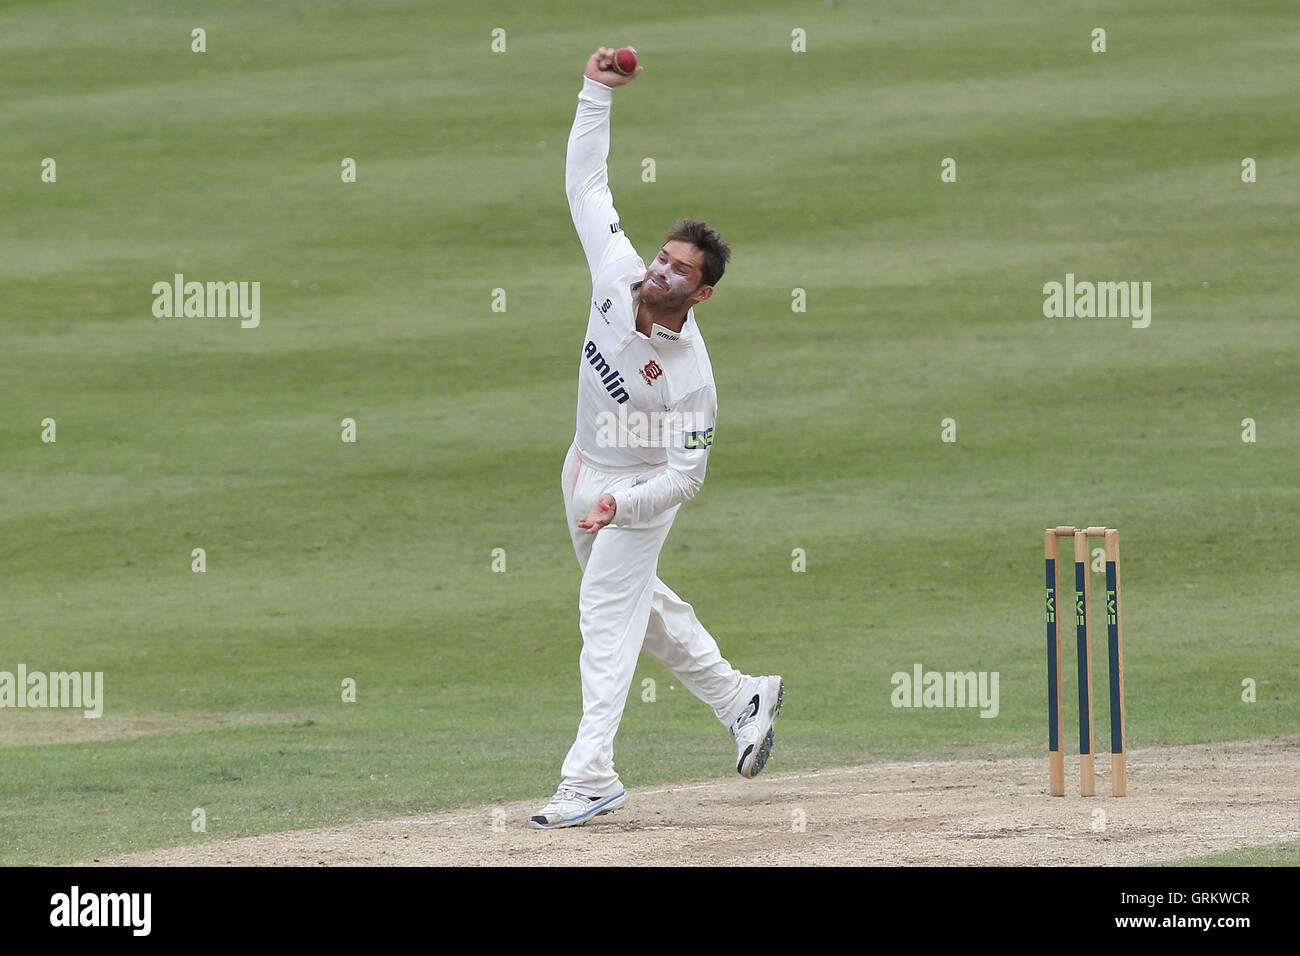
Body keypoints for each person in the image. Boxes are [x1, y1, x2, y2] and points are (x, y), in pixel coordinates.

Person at [530, 47, 784, 829]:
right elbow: (586, 184)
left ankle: (591, 777)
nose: (660, 273)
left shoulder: (692, 380)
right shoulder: (616, 272)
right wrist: (595, 93)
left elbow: (687, 479)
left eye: (679, 273)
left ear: (701, 294)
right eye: (662, 260)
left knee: (604, 621)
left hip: (636, 492)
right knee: (640, 613)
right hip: (583, 467)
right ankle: (741, 696)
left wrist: (621, 504)